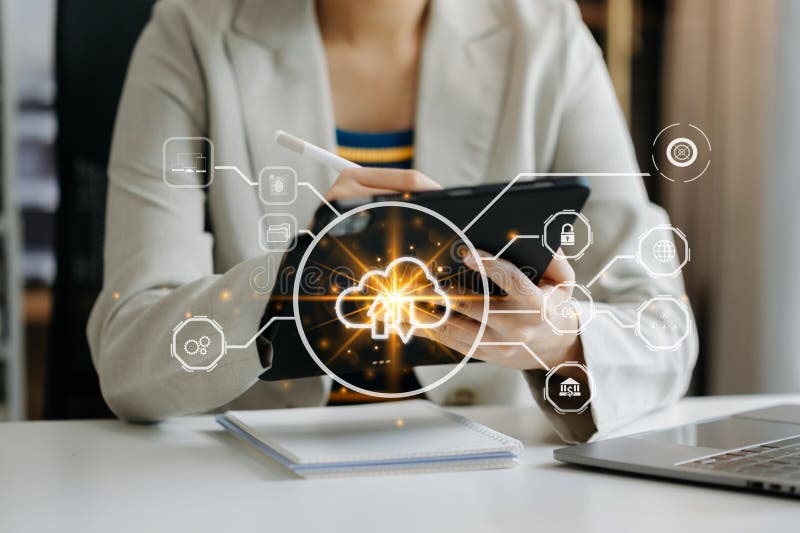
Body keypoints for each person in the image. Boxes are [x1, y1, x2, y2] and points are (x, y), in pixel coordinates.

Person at [87, 0, 698, 442]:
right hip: (256, 482)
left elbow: (665, 327)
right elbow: (128, 360)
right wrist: (290, 280)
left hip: (486, 486)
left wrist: (561, 341)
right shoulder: (191, 32)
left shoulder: (547, 37)